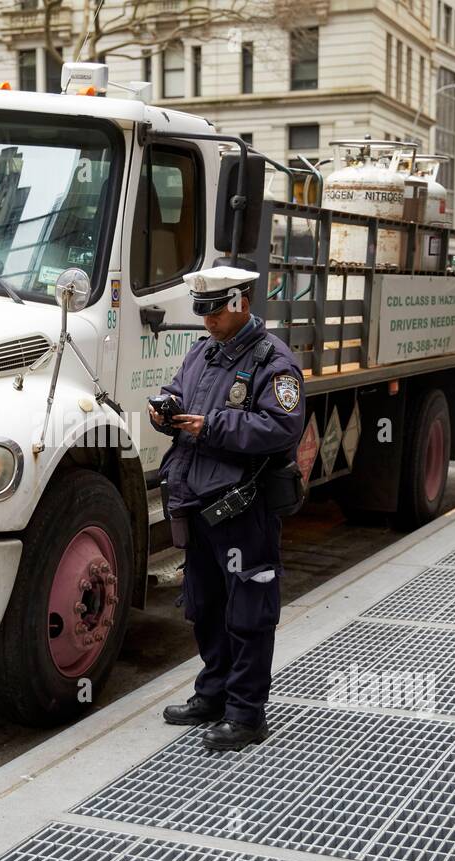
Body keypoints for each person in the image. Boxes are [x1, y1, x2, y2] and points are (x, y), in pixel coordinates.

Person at [148, 265, 305, 751]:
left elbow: (283, 428)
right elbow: (180, 393)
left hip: (243, 507)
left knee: (249, 612)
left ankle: (246, 714)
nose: (207, 321)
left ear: (240, 303)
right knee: (205, 604)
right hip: (197, 501)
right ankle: (213, 695)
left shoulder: (273, 362)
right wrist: (166, 410)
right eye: (203, 312)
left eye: (215, 311)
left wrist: (209, 427)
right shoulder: (203, 353)